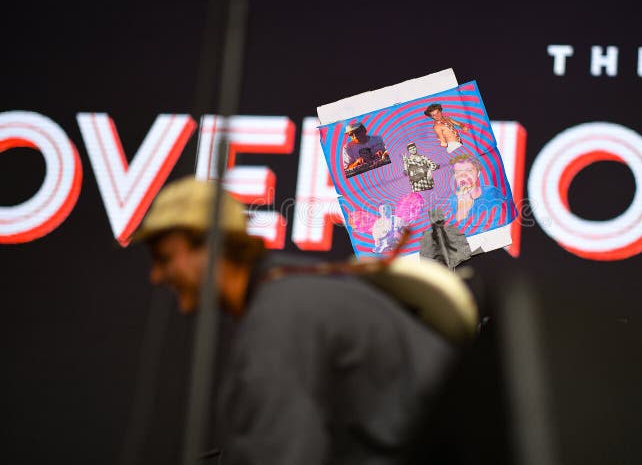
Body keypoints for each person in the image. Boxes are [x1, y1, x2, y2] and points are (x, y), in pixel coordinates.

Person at [131, 176, 477, 465]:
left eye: (165, 258)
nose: (155, 276)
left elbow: (285, 456)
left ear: (215, 246)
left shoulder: (280, 318)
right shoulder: (293, 294)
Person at [448, 154, 506, 223]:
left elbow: (505, 217)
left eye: (469, 171)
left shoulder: (492, 192)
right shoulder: (450, 202)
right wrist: (462, 208)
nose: (463, 175)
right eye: (458, 172)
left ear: (478, 173)